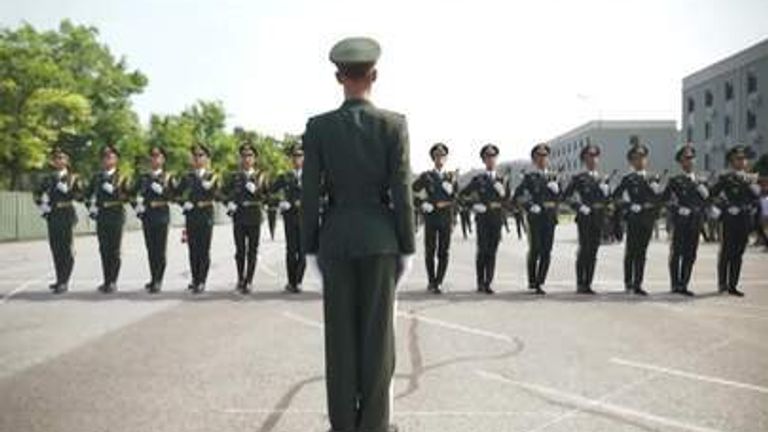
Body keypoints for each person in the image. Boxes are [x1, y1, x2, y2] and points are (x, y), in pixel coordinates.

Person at [301, 37, 414, 432]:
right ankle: (375, 425)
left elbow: (310, 192)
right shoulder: (393, 124)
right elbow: (401, 190)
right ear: (375, 75)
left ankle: (343, 424)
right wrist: (408, 245)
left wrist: (309, 246)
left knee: (340, 340)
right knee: (378, 338)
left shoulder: (318, 127)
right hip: (381, 239)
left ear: (338, 77)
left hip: (335, 239)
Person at [612, 144, 664, 296]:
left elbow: (659, 201)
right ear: (631, 162)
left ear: (646, 160)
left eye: (642, 157)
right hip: (634, 219)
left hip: (647, 220)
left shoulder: (653, 178)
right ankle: (628, 282)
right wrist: (628, 206)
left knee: (642, 253)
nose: (640, 161)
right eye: (636, 158)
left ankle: (638, 283)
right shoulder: (628, 179)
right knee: (631, 252)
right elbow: (616, 196)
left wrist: (656, 194)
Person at [709, 145, 761, 296]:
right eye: (738, 159)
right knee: (726, 252)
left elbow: (755, 199)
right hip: (729, 219)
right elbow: (712, 194)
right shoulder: (726, 178)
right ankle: (722, 284)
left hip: (743, 219)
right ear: (731, 161)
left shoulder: (750, 178)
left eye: (744, 159)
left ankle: (733, 285)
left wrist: (750, 184)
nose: (742, 161)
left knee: (739, 253)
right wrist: (725, 207)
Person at [562, 144, 611, 294]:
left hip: (598, 217)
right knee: (584, 249)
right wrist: (579, 206)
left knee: (594, 251)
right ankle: (580, 283)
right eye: (590, 157)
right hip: (585, 217)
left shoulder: (603, 179)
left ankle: (588, 283)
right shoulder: (579, 178)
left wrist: (607, 194)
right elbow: (566, 196)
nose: (593, 159)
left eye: (595, 157)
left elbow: (609, 201)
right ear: (584, 159)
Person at [661, 145, 710, 296]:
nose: (689, 161)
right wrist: (677, 209)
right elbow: (665, 200)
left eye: (691, 158)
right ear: (680, 162)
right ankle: (675, 284)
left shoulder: (701, 181)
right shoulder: (675, 181)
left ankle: (684, 284)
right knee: (677, 253)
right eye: (686, 158)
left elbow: (707, 201)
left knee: (690, 254)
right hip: (680, 222)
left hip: (695, 222)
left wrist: (705, 196)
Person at [459, 144, 508, 294]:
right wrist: (473, 205)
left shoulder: (502, 179)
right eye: (487, 157)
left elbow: (509, 201)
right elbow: (461, 196)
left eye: (493, 157)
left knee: (492, 251)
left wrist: (504, 194)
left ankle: (489, 282)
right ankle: (480, 281)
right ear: (483, 160)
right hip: (482, 219)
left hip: (496, 219)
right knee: (482, 250)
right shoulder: (478, 179)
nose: (491, 160)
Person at [34, 146, 83, 294]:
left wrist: (69, 191)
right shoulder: (48, 179)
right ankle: (59, 279)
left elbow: (81, 197)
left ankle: (64, 281)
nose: (58, 161)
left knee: (66, 249)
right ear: (53, 161)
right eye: (56, 158)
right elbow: (37, 194)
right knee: (55, 248)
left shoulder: (73, 178)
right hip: (53, 215)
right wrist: (43, 206)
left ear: (67, 161)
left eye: (61, 158)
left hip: (66, 214)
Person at [513, 143, 560, 295]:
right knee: (535, 249)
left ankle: (540, 282)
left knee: (547, 251)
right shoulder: (529, 178)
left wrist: (557, 190)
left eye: (545, 156)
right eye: (539, 156)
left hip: (550, 218)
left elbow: (563, 197)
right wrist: (529, 206)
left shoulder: (554, 177)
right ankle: (532, 280)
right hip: (535, 218)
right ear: (534, 159)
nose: (542, 159)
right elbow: (517, 197)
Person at [221, 142, 267, 293]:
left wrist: (257, 191)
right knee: (240, 250)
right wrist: (228, 204)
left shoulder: (261, 176)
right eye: (244, 156)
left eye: (250, 156)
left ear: (255, 158)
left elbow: (268, 196)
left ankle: (249, 280)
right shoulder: (234, 177)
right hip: (239, 216)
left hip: (254, 215)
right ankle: (240, 278)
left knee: (252, 250)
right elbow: (221, 193)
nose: (247, 159)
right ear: (240, 158)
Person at [412, 143, 458, 294]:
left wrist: (452, 194)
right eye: (437, 156)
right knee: (430, 251)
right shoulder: (427, 176)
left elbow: (457, 198)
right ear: (433, 158)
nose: (440, 159)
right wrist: (422, 204)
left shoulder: (451, 177)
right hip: (431, 217)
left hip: (445, 217)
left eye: (443, 156)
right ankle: (431, 281)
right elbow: (411, 192)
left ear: (446, 158)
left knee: (444, 251)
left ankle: (439, 281)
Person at [176, 143, 219, 294]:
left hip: (205, 215)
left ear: (207, 158)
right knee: (192, 249)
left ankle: (202, 280)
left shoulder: (212, 176)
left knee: (204, 249)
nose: (197, 158)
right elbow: (175, 193)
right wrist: (183, 203)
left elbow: (219, 195)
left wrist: (212, 188)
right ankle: (194, 279)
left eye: (201, 155)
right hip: (191, 216)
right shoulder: (187, 177)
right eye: (195, 155)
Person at [85, 144, 129, 293]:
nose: (107, 159)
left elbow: (128, 196)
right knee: (104, 249)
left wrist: (116, 192)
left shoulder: (122, 177)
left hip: (116, 214)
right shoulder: (97, 177)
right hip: (102, 215)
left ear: (116, 159)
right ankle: (106, 280)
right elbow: (87, 194)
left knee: (114, 249)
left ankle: (113, 281)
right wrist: (90, 208)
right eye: (104, 157)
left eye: (110, 157)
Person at [131, 146, 175, 293]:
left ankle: (158, 280)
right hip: (147, 215)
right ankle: (153, 277)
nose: (155, 159)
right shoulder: (144, 177)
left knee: (160, 249)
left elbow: (175, 196)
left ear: (163, 159)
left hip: (161, 215)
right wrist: (136, 207)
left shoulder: (168, 177)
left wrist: (164, 192)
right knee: (151, 249)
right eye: (152, 156)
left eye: (158, 156)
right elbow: (130, 193)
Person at [270, 145, 306, 293]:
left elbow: (320, 195)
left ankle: (298, 280)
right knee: (291, 251)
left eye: (300, 155)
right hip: (290, 218)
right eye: (295, 156)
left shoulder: (312, 175)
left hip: (306, 218)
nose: (297, 159)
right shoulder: (284, 177)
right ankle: (291, 281)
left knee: (304, 252)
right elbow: (270, 193)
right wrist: (280, 202)